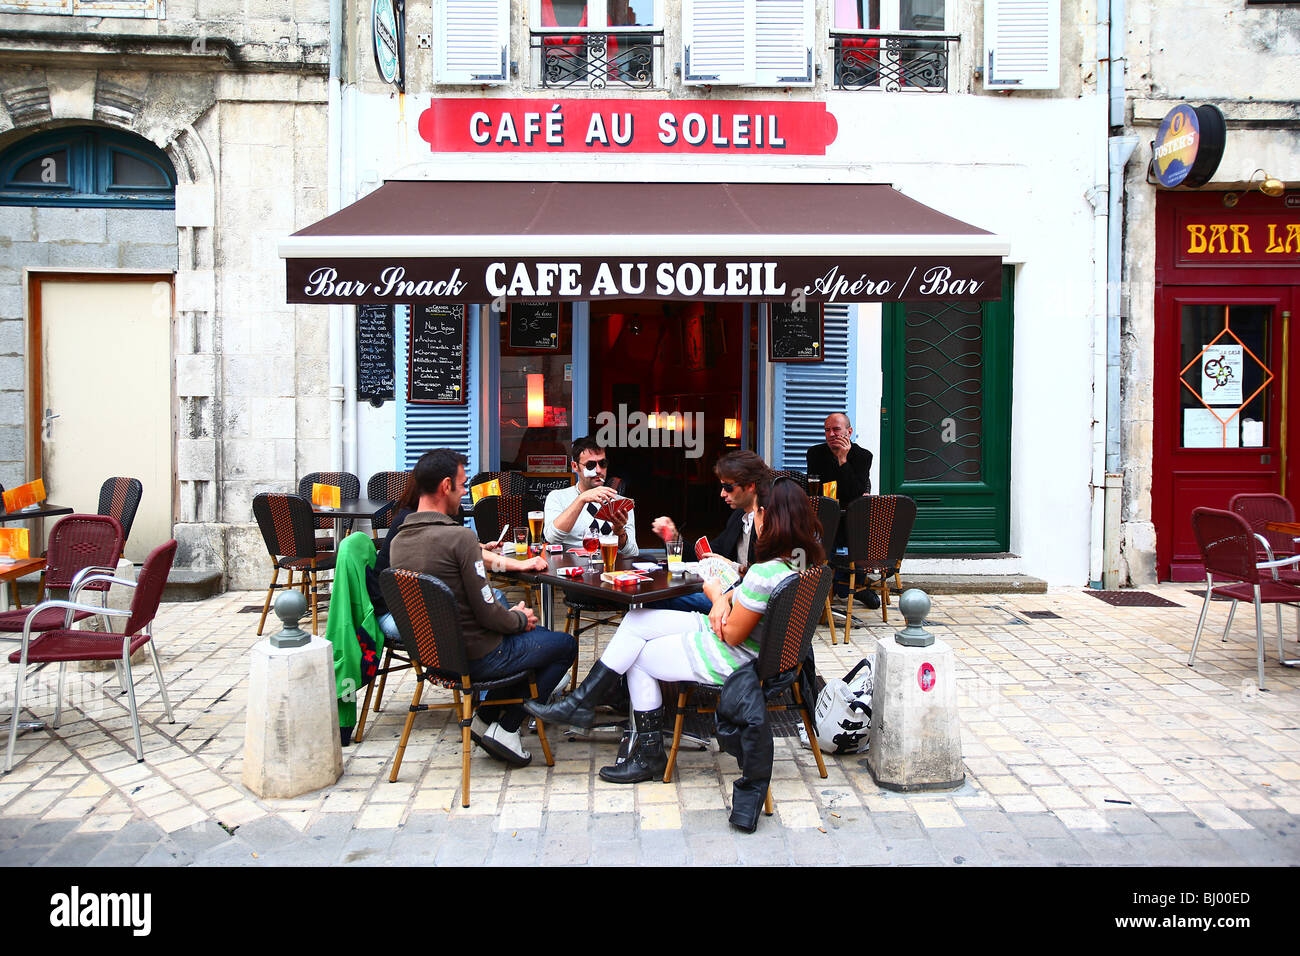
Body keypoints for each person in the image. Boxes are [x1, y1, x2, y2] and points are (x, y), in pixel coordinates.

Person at [526, 477, 824, 784]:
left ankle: (647, 755)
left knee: (638, 656)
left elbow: (732, 634)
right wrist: (726, 596)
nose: (753, 518)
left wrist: (716, 597)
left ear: (770, 518)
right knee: (636, 621)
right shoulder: (803, 563)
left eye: (757, 513)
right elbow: (753, 592)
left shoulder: (764, 572)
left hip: (736, 659)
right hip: (764, 654)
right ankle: (582, 704)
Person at [388, 449, 576, 768]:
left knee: (540, 638)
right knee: (563, 646)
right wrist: (518, 618)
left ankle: (484, 717)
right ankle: (507, 727)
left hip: (433, 660)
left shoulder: (397, 542)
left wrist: (517, 622)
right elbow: (489, 613)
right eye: (462, 485)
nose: (465, 493)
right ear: (446, 485)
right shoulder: (460, 538)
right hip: (477, 658)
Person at [649, 449, 772, 613]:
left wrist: (732, 568)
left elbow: (766, 581)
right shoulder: (738, 517)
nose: (722, 494)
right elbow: (705, 556)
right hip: (729, 591)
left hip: (746, 602)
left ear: (750, 486)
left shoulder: (769, 521)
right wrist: (673, 538)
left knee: (659, 598)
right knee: (659, 594)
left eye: (728, 487)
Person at [543, 436, 638, 556]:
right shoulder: (557, 497)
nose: (598, 470)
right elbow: (552, 538)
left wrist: (619, 531)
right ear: (575, 466)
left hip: (607, 568)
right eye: (590, 465)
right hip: (570, 568)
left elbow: (632, 553)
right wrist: (581, 499)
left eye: (602, 463)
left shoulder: (620, 503)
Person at [806, 412, 873, 507]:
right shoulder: (815, 453)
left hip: (850, 512)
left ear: (849, 432)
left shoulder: (863, 455)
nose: (831, 434)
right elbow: (815, 490)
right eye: (827, 430)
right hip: (822, 509)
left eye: (836, 429)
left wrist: (842, 460)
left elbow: (855, 494)